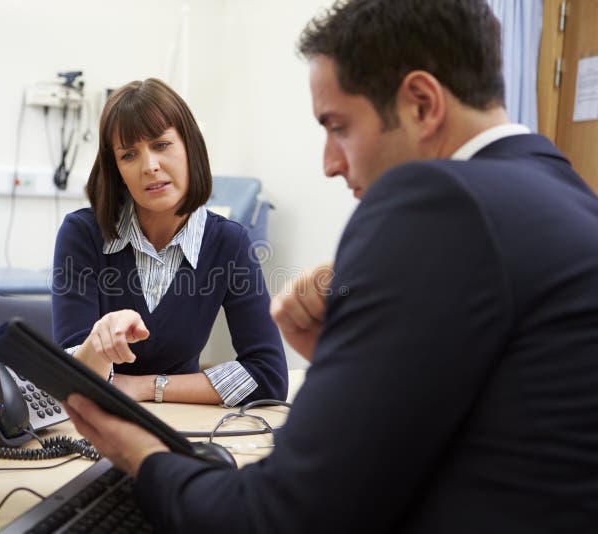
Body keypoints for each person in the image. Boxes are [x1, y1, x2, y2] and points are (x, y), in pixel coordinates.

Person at [62, 0, 598, 532]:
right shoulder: (563, 187)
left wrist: (142, 455)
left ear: (421, 103)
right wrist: (351, 354)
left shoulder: (436, 204)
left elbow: (277, 515)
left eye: (338, 126)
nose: (328, 163)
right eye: (130, 154)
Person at [51, 78, 288, 407]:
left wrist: (147, 387)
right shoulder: (83, 234)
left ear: (190, 147)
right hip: (96, 424)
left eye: (161, 145)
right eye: (129, 154)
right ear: (116, 169)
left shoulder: (229, 242)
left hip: (187, 427)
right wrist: (97, 343)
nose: (149, 166)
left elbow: (268, 376)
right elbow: (68, 380)